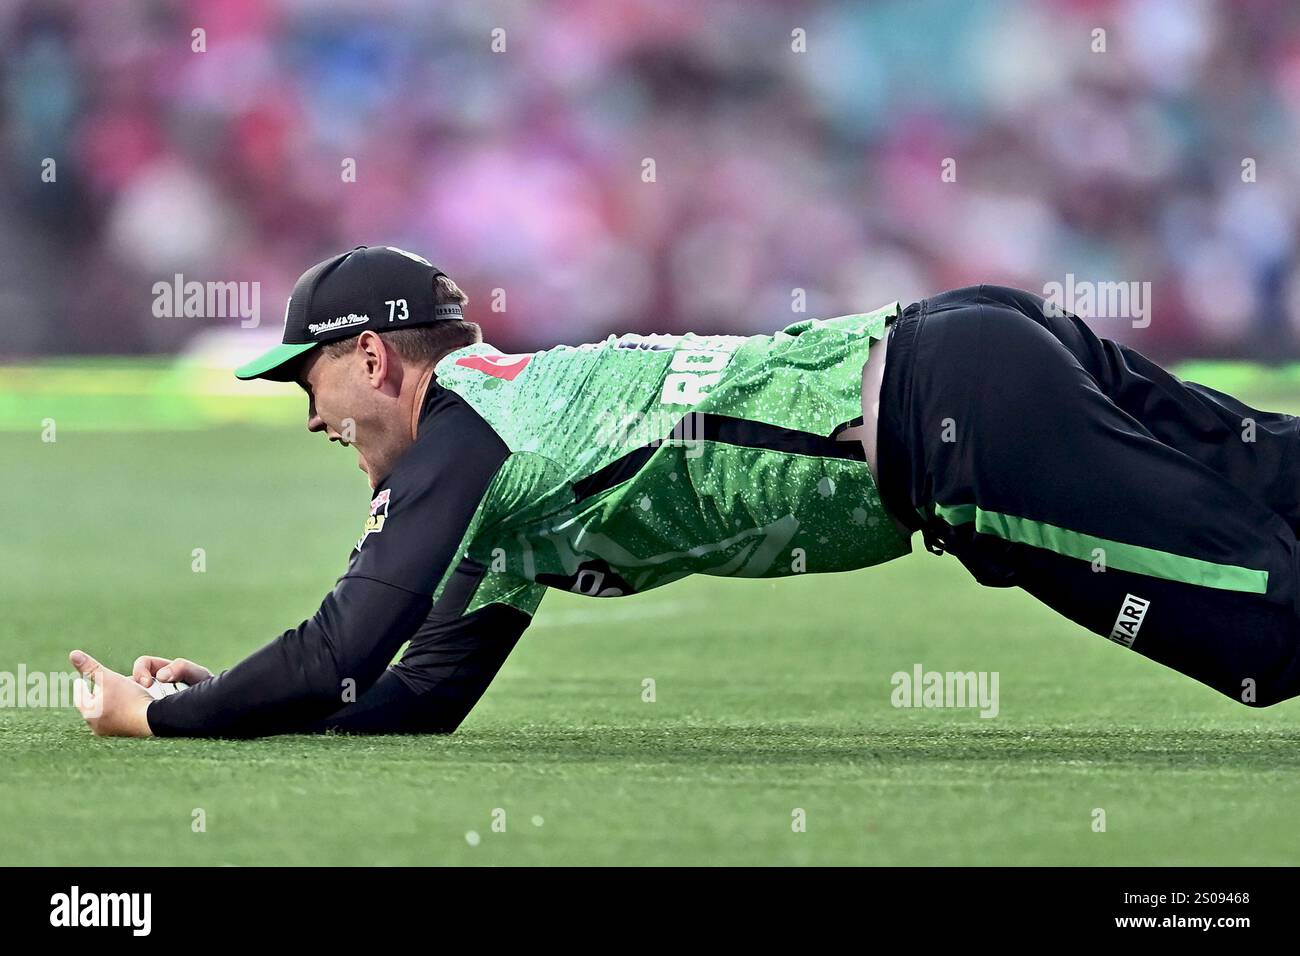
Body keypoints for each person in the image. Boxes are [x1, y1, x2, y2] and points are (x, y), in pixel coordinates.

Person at [69, 247, 1300, 737]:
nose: (309, 414)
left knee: (1265, 631)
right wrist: (227, 694)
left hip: (956, 422)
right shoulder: (496, 456)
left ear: (374, 356)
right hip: (963, 357)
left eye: (311, 378)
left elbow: (342, 644)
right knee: (1271, 469)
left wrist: (150, 718)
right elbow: (412, 692)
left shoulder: (464, 437)